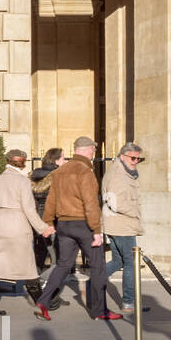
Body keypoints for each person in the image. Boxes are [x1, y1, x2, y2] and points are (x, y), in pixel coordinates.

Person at [33, 136, 120, 322]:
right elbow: (90, 203)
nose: (94, 153)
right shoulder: (85, 171)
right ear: (89, 150)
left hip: (64, 225)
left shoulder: (61, 171)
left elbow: (51, 200)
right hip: (83, 224)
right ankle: (99, 311)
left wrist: (48, 222)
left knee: (63, 265)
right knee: (98, 266)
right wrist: (96, 230)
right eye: (94, 150)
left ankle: (42, 302)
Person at [0, 149, 54, 316]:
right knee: (27, 267)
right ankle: (41, 304)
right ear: (23, 163)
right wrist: (42, 228)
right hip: (18, 227)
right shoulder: (22, 181)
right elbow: (29, 209)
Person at [103, 142, 146, 313]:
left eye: (138, 159)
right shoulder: (118, 175)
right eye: (132, 158)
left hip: (119, 224)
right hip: (122, 225)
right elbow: (114, 201)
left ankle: (93, 283)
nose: (135, 161)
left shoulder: (124, 173)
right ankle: (129, 302)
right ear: (122, 156)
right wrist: (134, 212)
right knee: (131, 263)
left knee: (118, 261)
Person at [30, 148, 65, 273]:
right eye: (63, 158)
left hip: (37, 212)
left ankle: (37, 272)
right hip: (53, 212)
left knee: (41, 245)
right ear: (56, 161)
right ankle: (56, 274)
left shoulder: (35, 174)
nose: (65, 161)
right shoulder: (59, 174)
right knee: (55, 245)